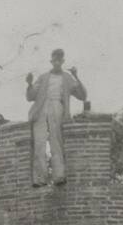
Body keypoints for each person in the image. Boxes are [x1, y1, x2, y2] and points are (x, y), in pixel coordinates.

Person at [25, 48, 87, 186]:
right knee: (39, 141)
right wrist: (29, 84)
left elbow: (83, 96)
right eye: (55, 60)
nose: (57, 62)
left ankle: (59, 175)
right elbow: (30, 97)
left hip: (57, 108)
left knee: (56, 141)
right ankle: (40, 178)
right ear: (51, 61)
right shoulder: (43, 77)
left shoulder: (67, 78)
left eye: (60, 60)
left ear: (63, 61)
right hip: (41, 109)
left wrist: (76, 76)